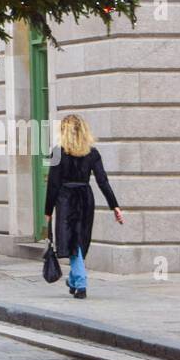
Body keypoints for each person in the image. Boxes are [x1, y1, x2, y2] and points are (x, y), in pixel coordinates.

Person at [45, 115, 124, 299]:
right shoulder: (92, 153)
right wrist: (115, 206)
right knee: (80, 240)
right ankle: (74, 280)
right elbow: (103, 181)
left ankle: (81, 283)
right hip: (85, 198)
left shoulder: (58, 152)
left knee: (73, 241)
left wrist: (48, 211)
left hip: (65, 199)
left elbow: (53, 185)